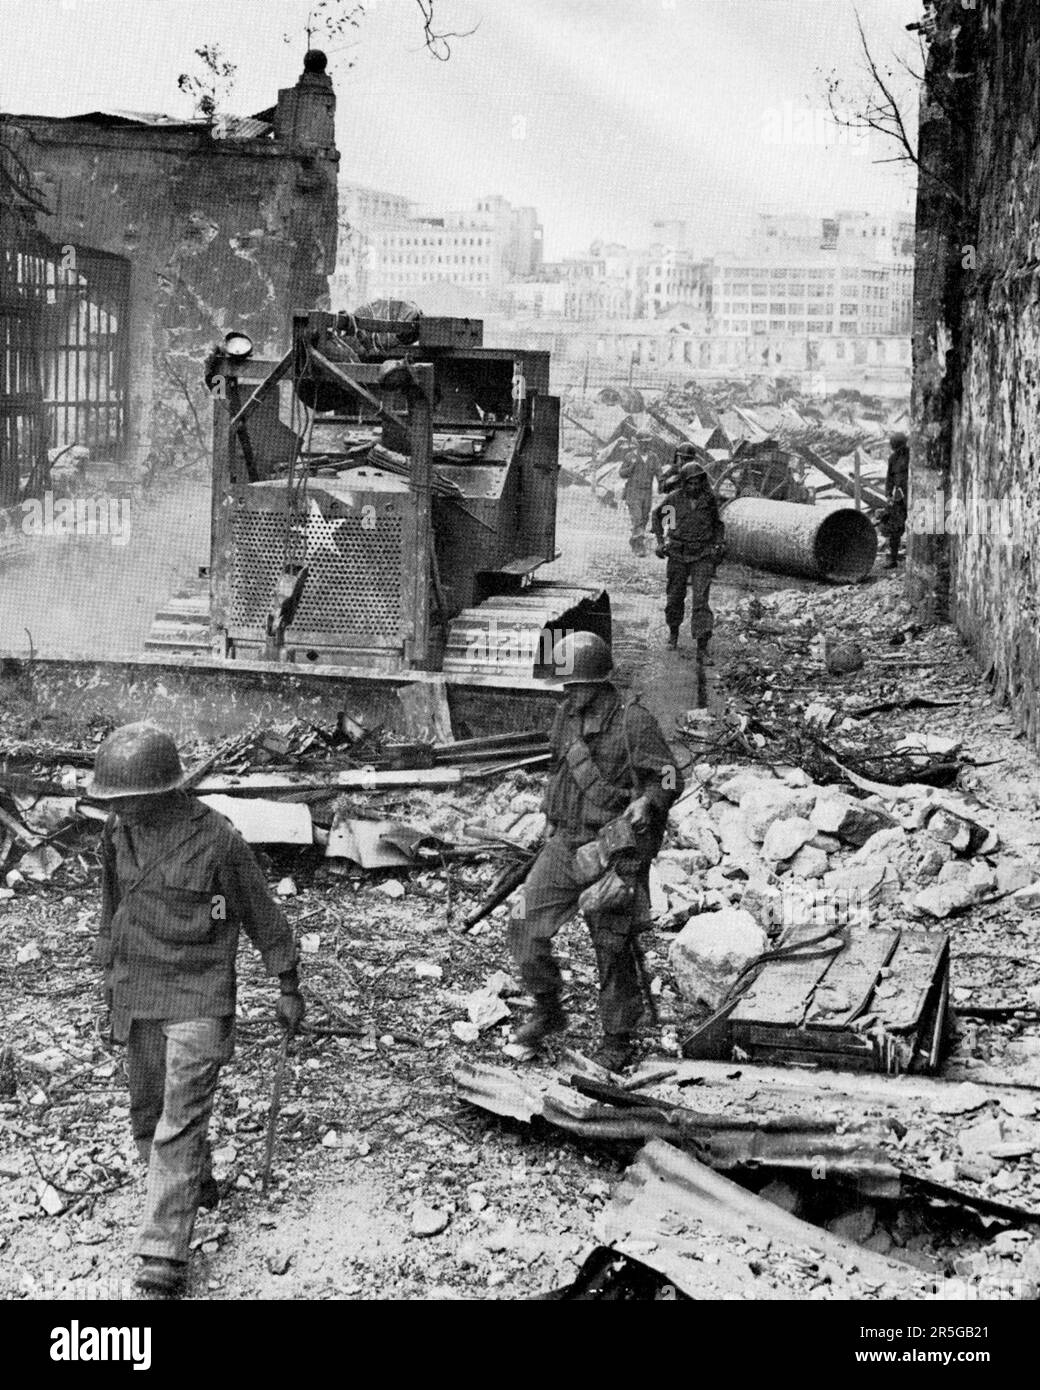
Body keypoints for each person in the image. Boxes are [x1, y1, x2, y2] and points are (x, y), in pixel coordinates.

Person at [89, 722, 305, 1297]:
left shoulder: (216, 840)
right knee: (147, 1113)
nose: (119, 808)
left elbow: (261, 913)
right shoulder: (118, 831)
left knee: (178, 1124)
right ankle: (195, 1184)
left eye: (127, 798)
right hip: (140, 992)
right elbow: (113, 905)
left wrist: (287, 982)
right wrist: (109, 971)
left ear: (161, 791)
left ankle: (162, 1256)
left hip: (198, 996)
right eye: (114, 800)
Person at [506, 632, 682, 1072]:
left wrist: (648, 800)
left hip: (612, 849)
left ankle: (617, 1038)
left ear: (599, 681)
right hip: (565, 843)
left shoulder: (632, 721)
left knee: (612, 945)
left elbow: (669, 776)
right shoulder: (566, 715)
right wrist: (549, 814)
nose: (569, 694)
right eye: (566, 687)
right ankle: (548, 1009)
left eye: (576, 686)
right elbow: (557, 767)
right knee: (524, 923)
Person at [651, 448, 725, 657]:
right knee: (675, 597)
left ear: (702, 482)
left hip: (702, 554)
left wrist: (718, 544)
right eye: (690, 483)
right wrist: (660, 541)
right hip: (677, 553)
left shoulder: (709, 501)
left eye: (697, 482)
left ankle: (702, 645)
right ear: (684, 482)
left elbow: (718, 525)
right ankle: (673, 633)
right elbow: (660, 518)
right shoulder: (674, 500)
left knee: (701, 600)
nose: (694, 487)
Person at [619, 429, 660, 555]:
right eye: (643, 442)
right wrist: (631, 467)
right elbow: (621, 473)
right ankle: (639, 546)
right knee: (637, 518)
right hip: (633, 492)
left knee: (644, 518)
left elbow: (659, 473)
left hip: (647, 493)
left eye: (648, 442)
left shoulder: (653, 457)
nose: (645, 445)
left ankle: (635, 540)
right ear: (638, 443)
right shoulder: (630, 456)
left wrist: (664, 483)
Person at [884, 431, 910, 568]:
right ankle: (893, 560)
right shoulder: (892, 459)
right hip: (899, 497)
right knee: (895, 528)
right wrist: (888, 493)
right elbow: (889, 478)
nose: (898, 451)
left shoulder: (913, 456)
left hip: (913, 496)